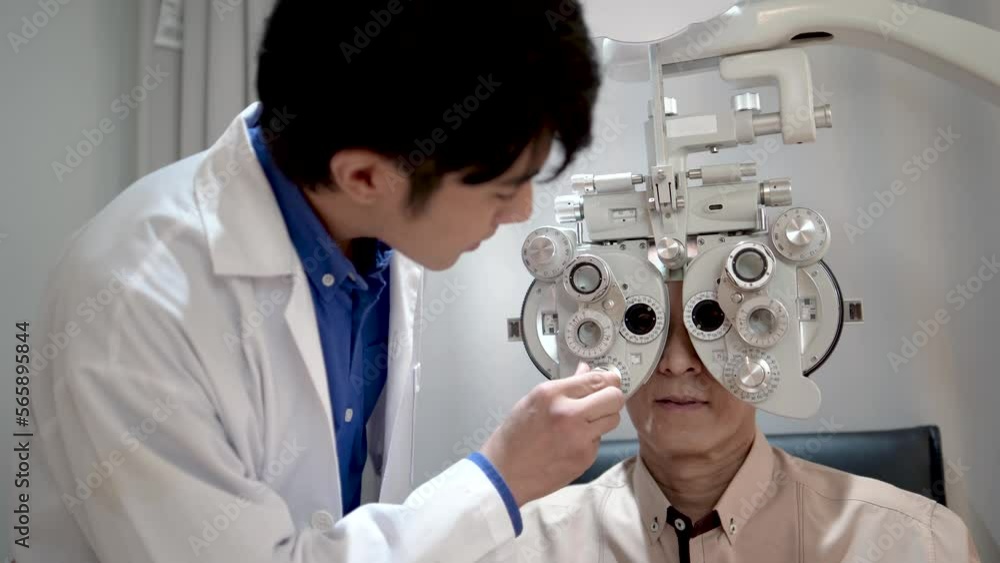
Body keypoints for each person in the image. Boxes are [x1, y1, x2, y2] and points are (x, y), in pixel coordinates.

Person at [17, 2, 627, 562]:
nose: (521, 212)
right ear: (363, 176)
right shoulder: (132, 308)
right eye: (501, 188)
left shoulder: (379, 225)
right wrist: (500, 477)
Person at [486, 282, 980, 563]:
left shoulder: (917, 543)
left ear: (777, 344)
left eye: (712, 324)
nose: (677, 362)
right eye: (643, 328)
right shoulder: (525, 546)